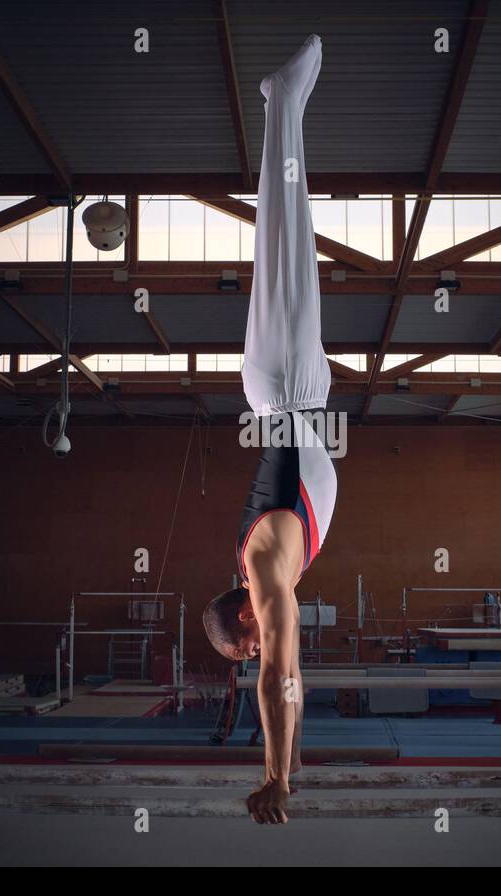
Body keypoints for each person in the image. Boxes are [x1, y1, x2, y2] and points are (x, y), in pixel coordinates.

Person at [201, 35, 336, 825]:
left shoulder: (264, 576)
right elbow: (293, 683)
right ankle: (283, 107)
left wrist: (276, 777)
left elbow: (277, 680)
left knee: (286, 236)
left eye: (246, 643)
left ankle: (282, 100)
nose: (261, 647)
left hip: (284, 389)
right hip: (286, 392)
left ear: (244, 616)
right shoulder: (263, 567)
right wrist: (292, 763)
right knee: (289, 240)